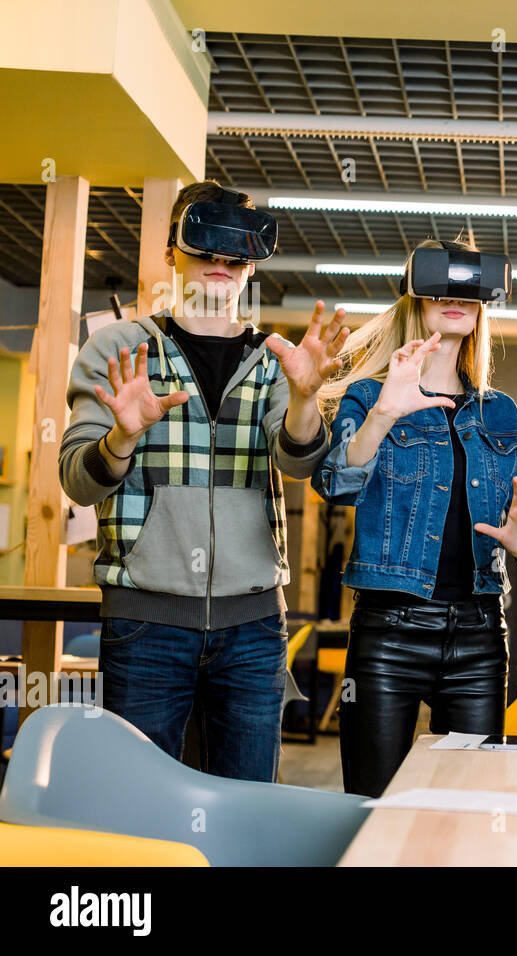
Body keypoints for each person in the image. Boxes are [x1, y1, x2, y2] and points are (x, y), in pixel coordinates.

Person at [59, 180, 345, 782]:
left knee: (247, 806)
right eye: (205, 249)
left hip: (253, 627)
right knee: (139, 804)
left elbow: (298, 464)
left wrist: (303, 399)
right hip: (146, 624)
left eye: (235, 255)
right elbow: (79, 483)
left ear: (250, 265)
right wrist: (122, 437)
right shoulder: (119, 350)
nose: (220, 266)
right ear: (172, 253)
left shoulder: (274, 359)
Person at [314, 238, 517, 797]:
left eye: (468, 292)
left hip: (477, 636)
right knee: (372, 803)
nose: (454, 297)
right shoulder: (368, 396)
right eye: (441, 287)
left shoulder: (499, 410)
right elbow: (335, 483)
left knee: (465, 806)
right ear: (414, 299)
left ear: (481, 310)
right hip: (389, 632)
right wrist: (382, 416)